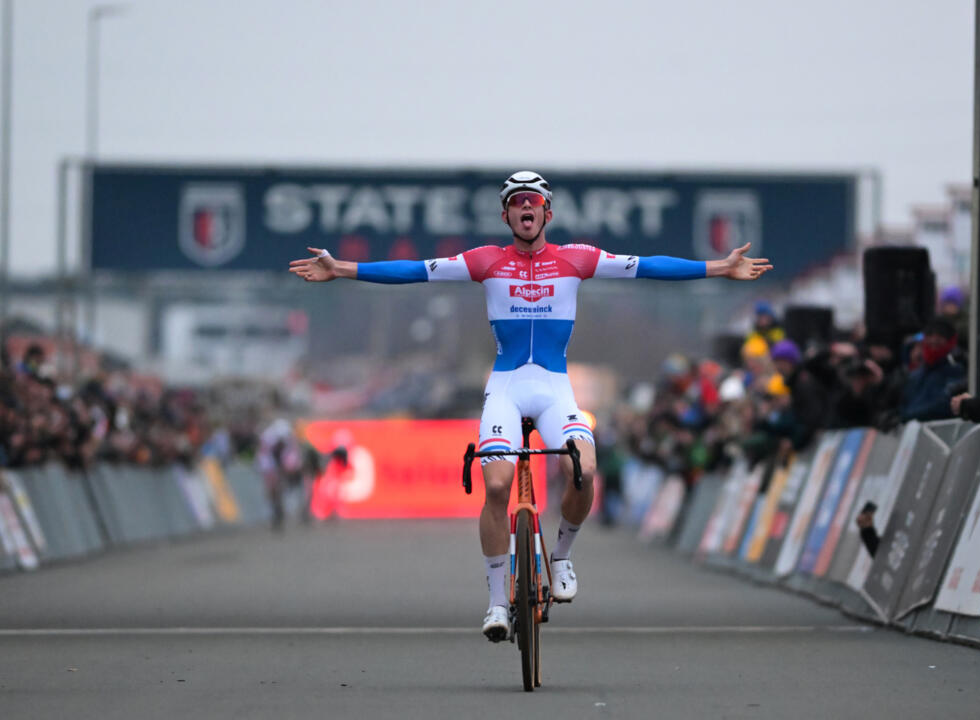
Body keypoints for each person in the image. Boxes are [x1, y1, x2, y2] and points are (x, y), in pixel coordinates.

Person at [290, 170, 773, 642]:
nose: (526, 207)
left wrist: (720, 267)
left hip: (554, 388)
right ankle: (497, 603)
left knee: (585, 467)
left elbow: (648, 265)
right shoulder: (484, 261)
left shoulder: (578, 258)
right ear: (506, 215)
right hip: (505, 386)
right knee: (496, 485)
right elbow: (415, 272)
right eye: (517, 201)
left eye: (534, 201)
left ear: (548, 212)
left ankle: (561, 557)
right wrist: (342, 270)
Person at [899, 319, 966, 422]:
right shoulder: (915, 375)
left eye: (940, 336)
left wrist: (907, 417)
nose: (934, 340)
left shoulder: (957, 370)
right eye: (930, 335)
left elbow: (945, 405)